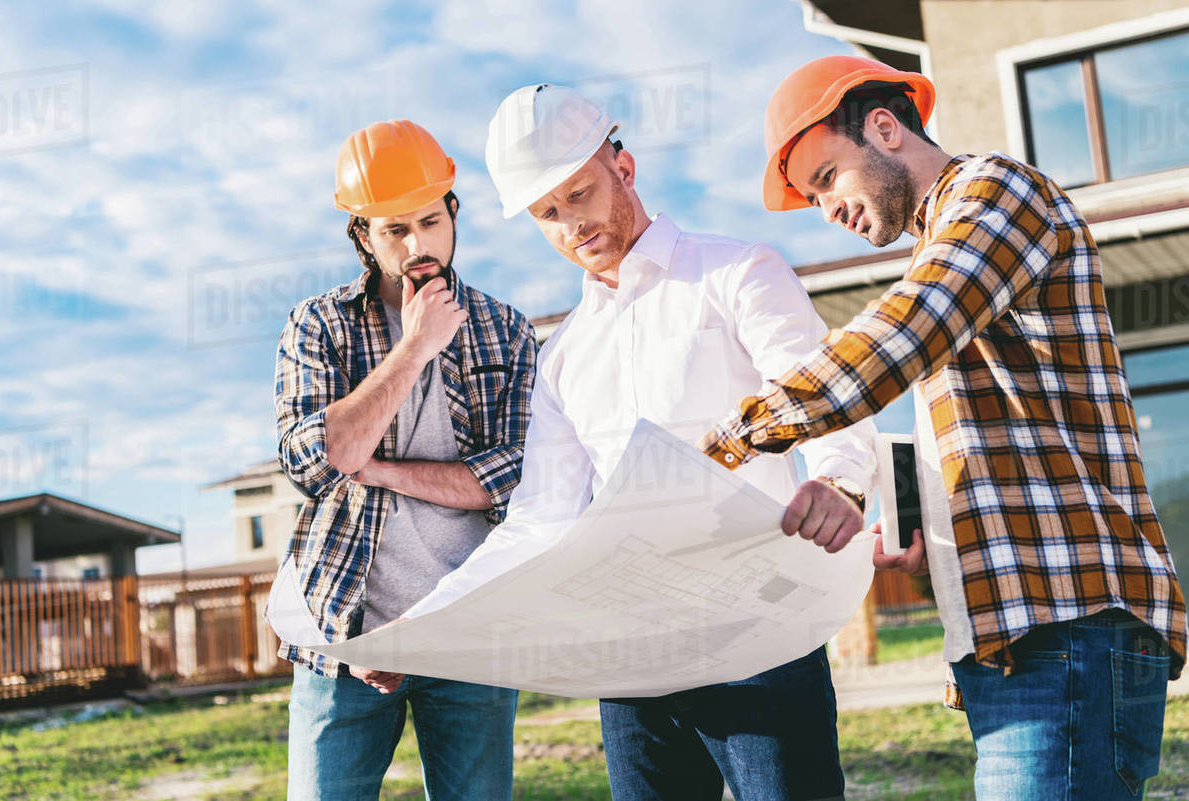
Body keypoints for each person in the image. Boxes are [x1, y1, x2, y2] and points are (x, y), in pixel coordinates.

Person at [697, 55, 1187, 800]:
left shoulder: (997, 191)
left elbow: (904, 333)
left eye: (826, 177)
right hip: (1019, 643)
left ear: (885, 129)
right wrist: (938, 545)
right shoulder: (945, 249)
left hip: (1067, 628)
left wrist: (729, 438)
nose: (827, 208)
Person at [411, 83, 878, 801]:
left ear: (622, 170)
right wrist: (422, 625)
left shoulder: (736, 272)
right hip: (632, 655)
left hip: (755, 630)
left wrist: (841, 480)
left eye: (580, 193)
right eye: (548, 213)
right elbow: (542, 515)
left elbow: (822, 388)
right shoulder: (564, 354)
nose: (572, 223)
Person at [274, 120, 536, 800]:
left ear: (454, 212)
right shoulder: (318, 325)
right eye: (395, 230)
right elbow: (311, 463)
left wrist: (380, 468)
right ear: (362, 235)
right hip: (346, 635)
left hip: (469, 637)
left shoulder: (505, 330)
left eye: (430, 220)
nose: (419, 245)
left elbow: (515, 480)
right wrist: (415, 347)